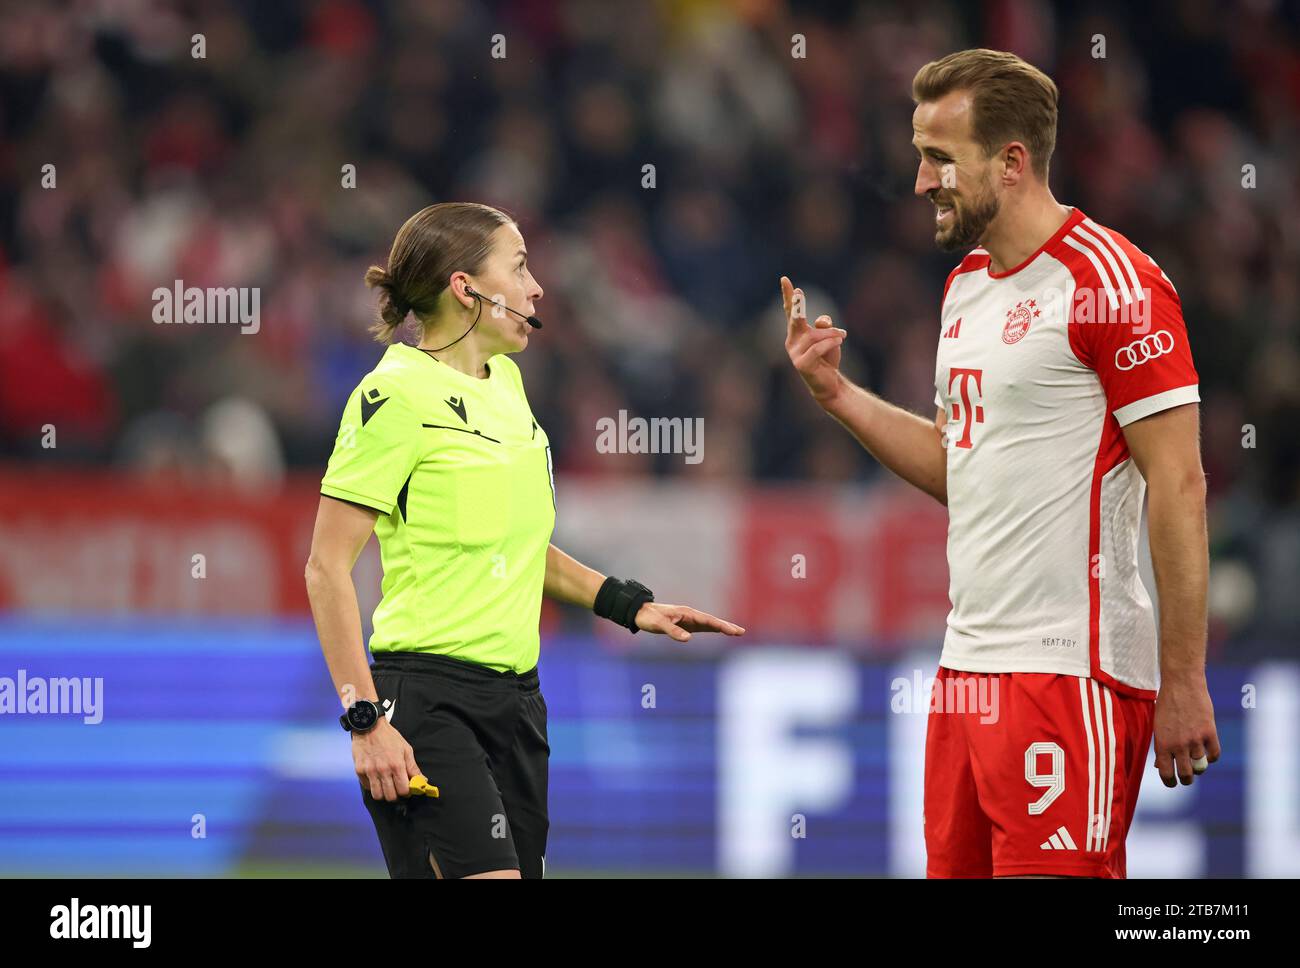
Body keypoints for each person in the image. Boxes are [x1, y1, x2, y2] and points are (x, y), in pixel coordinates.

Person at [781, 49, 1219, 878]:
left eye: (940, 158)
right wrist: (839, 396)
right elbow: (964, 471)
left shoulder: (1114, 285)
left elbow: (1182, 482)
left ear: (1012, 163)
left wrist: (1184, 677)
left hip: (1069, 674)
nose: (919, 182)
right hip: (965, 674)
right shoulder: (968, 287)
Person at [305, 201, 745, 879]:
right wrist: (365, 719)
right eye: (519, 266)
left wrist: (629, 605)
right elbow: (327, 567)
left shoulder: (509, 386)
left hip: (517, 707)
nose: (537, 287)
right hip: (427, 699)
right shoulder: (392, 396)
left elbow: (518, 550)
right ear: (466, 289)